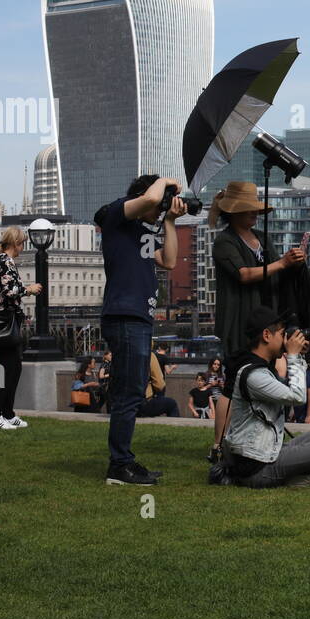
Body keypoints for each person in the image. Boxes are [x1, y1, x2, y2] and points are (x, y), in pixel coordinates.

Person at [209, 179, 310, 460]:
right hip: (239, 320)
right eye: (248, 209)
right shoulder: (224, 241)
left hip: (266, 318)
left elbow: (276, 272)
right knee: (232, 384)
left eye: (255, 209)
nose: (254, 214)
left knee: (269, 376)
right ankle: (219, 445)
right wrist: (282, 263)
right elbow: (243, 274)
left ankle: (260, 440)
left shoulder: (262, 238)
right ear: (233, 212)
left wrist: (292, 262)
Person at [95, 173, 185, 485]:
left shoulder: (142, 233)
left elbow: (169, 261)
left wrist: (171, 220)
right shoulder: (116, 217)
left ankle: (123, 461)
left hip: (140, 317)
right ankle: (119, 466)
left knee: (131, 390)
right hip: (124, 315)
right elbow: (147, 200)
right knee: (128, 392)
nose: (159, 209)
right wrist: (165, 181)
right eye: (159, 204)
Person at [214, 306, 310, 488]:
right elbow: (297, 396)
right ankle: (296, 480)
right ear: (266, 335)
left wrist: (299, 357)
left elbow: (288, 389)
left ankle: (302, 472)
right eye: (282, 333)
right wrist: (293, 356)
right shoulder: (254, 375)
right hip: (255, 468)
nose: (285, 339)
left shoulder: (261, 368)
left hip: (264, 451)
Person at [0, 226, 42, 429]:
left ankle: (6, 413)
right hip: (3, 322)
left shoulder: (2, 261)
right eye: (22, 243)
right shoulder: (4, 262)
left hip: (5, 321)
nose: (23, 247)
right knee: (4, 369)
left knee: (12, 368)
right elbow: (10, 291)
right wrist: (29, 289)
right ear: (16, 243)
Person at [140, 348, 180, 418]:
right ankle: (173, 426)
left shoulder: (119, 353)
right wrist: (173, 367)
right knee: (171, 404)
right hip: (141, 403)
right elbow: (160, 384)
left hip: (120, 403)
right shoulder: (150, 355)